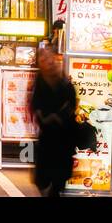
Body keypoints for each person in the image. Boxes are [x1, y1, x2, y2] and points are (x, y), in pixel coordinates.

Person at [29, 42, 78, 197]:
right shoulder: (39, 81)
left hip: (64, 135)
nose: (48, 62)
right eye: (43, 60)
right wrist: (43, 116)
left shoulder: (64, 81)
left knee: (58, 179)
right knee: (42, 179)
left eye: (50, 58)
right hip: (47, 135)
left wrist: (59, 116)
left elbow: (72, 103)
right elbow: (34, 103)